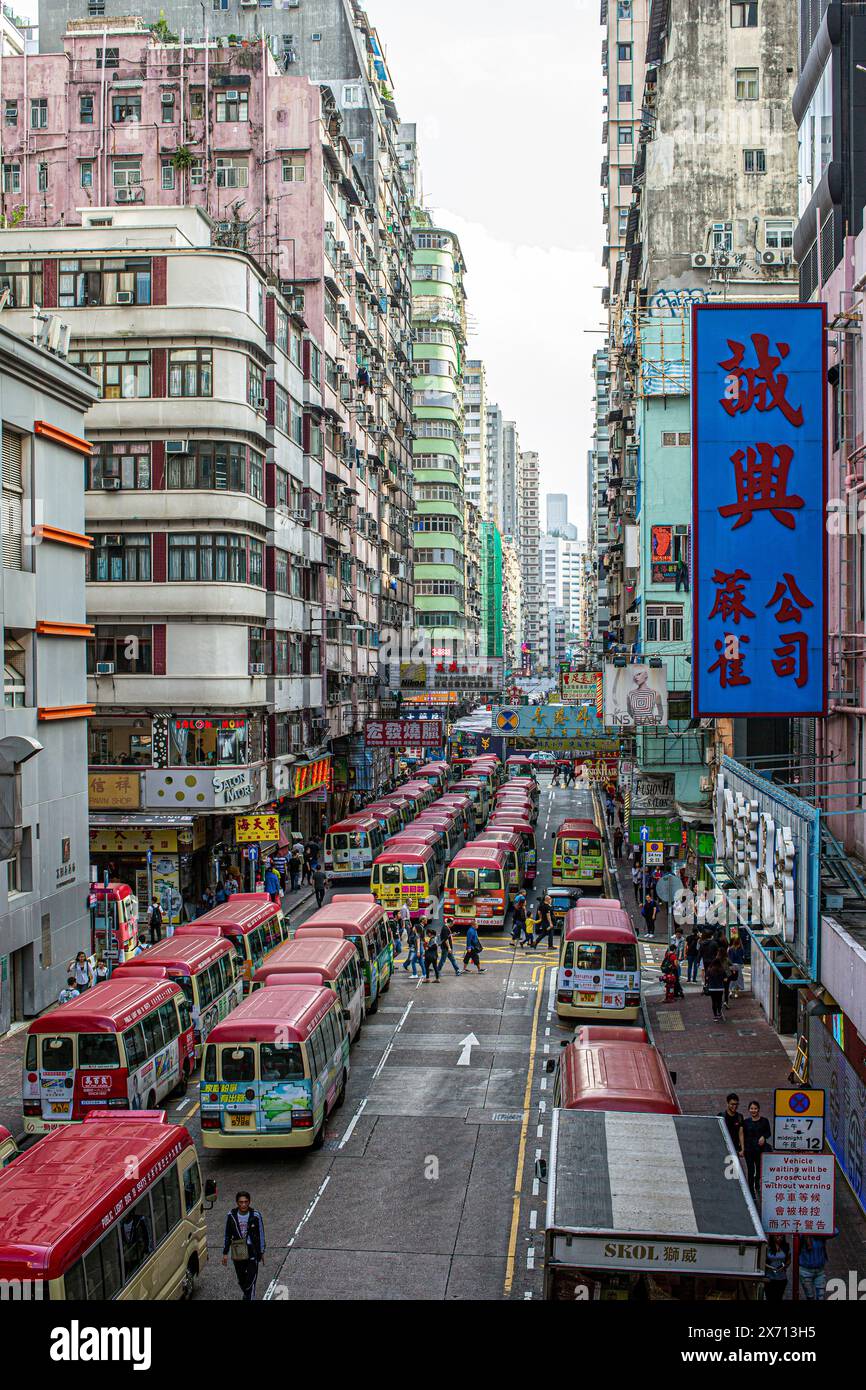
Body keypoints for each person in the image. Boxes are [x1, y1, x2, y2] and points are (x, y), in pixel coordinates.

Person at [222, 1191, 266, 1300]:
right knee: (242, 1279)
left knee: (251, 1278)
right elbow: (227, 1234)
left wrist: (261, 1251)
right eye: (241, 1202)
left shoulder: (256, 1215)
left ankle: (249, 1297)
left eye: (246, 1202)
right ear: (237, 1203)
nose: (243, 1205)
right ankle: (247, 1294)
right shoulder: (231, 1216)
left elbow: (261, 1233)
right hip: (238, 1250)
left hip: (252, 1251)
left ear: (249, 1202)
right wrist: (225, 1253)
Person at [742, 1100, 772, 1198]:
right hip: (749, 1151)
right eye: (751, 1108)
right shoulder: (746, 1122)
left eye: (755, 1108)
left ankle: (757, 1182)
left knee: (759, 1170)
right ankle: (751, 1191)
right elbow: (742, 1135)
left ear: (758, 1109)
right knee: (750, 1170)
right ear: (749, 1110)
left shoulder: (764, 1121)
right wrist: (742, 1148)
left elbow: (768, 1133)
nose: (753, 1110)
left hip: (760, 1150)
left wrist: (763, 1136)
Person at [798, 1235, 829, 1301]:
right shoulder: (802, 1235)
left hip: (820, 1271)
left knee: (821, 1297)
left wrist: (818, 1230)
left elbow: (835, 1231)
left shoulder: (821, 1233)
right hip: (805, 1271)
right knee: (810, 1297)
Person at [764, 1234, 790, 1302]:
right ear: (772, 1236)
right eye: (777, 1236)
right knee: (770, 1298)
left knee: (778, 1298)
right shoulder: (767, 1246)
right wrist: (771, 1267)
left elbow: (788, 1260)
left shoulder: (786, 1246)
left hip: (782, 1278)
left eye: (781, 1236)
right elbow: (761, 1261)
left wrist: (784, 1265)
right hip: (769, 1277)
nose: (779, 1238)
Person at [706, 956, 726, 1021]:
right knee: (719, 1000)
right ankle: (719, 1012)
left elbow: (706, 978)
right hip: (720, 988)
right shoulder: (722, 970)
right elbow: (725, 979)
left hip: (712, 988)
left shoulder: (709, 970)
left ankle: (715, 1016)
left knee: (713, 1001)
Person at [728, 931, 745, 999]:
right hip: (738, 966)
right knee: (738, 979)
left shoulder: (730, 949)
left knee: (732, 979)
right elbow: (742, 957)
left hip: (732, 966)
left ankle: (731, 991)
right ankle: (736, 993)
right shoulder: (741, 949)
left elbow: (729, 959)